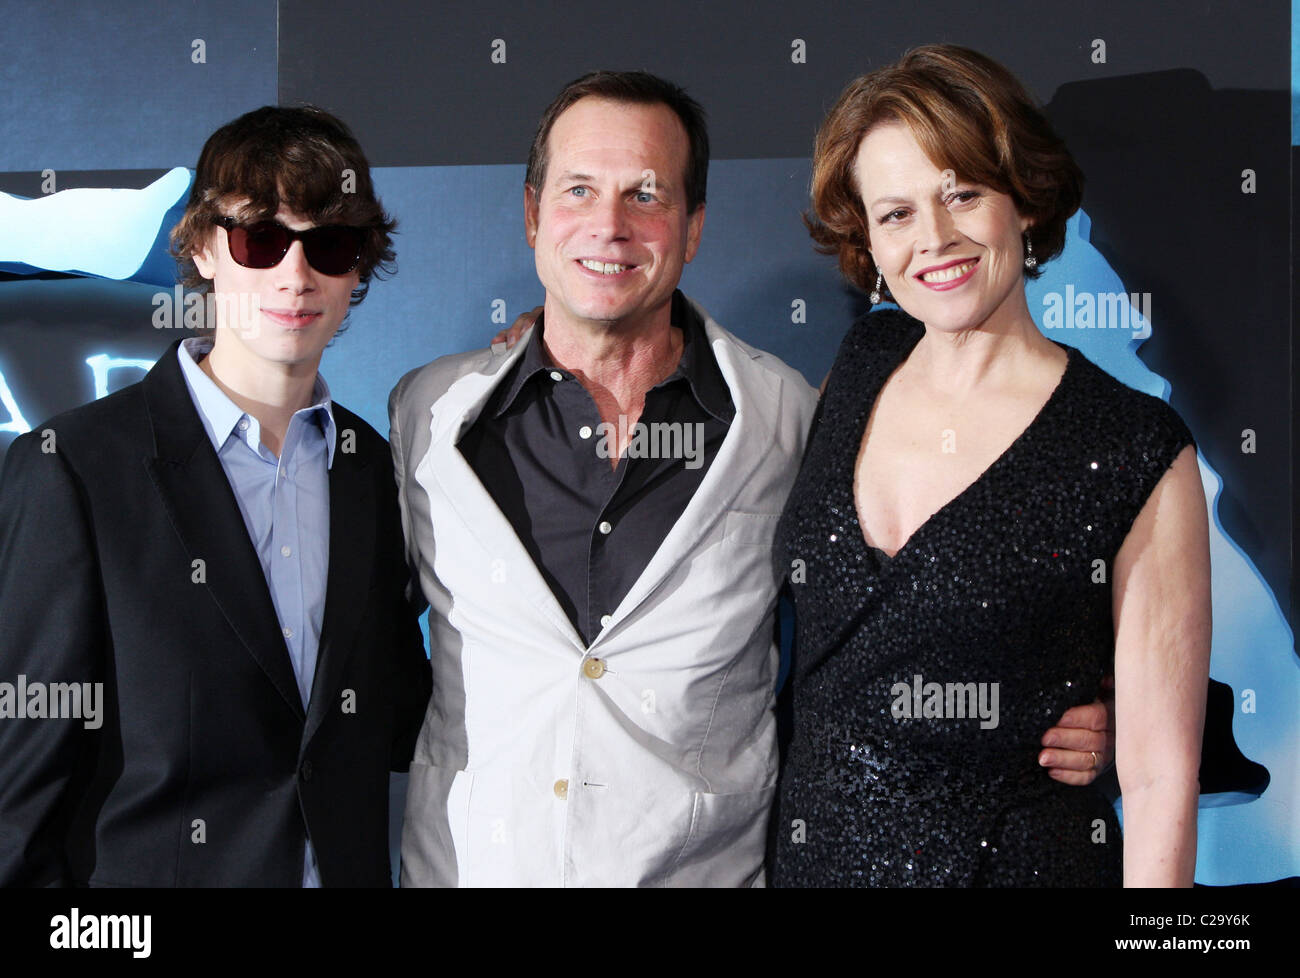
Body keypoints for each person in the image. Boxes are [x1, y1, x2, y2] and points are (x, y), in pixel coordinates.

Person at [391, 70, 1114, 887]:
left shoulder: (794, 420)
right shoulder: (428, 415)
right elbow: (342, 649)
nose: (609, 225)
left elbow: (919, 619)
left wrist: (1073, 706)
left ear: (693, 227)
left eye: (647, 196)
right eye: (579, 190)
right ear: (532, 214)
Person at [768, 45, 1211, 887]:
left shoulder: (1132, 448)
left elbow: (1159, 783)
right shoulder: (860, 361)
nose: (934, 239)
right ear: (866, 235)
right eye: (895, 213)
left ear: (1024, 200)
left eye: (962, 194)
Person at [0, 106, 431, 887]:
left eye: (328, 245)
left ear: (358, 269)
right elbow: (18, 804)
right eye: (260, 238)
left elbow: (403, 721)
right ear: (203, 245)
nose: (294, 276)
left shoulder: (375, 469)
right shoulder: (75, 470)